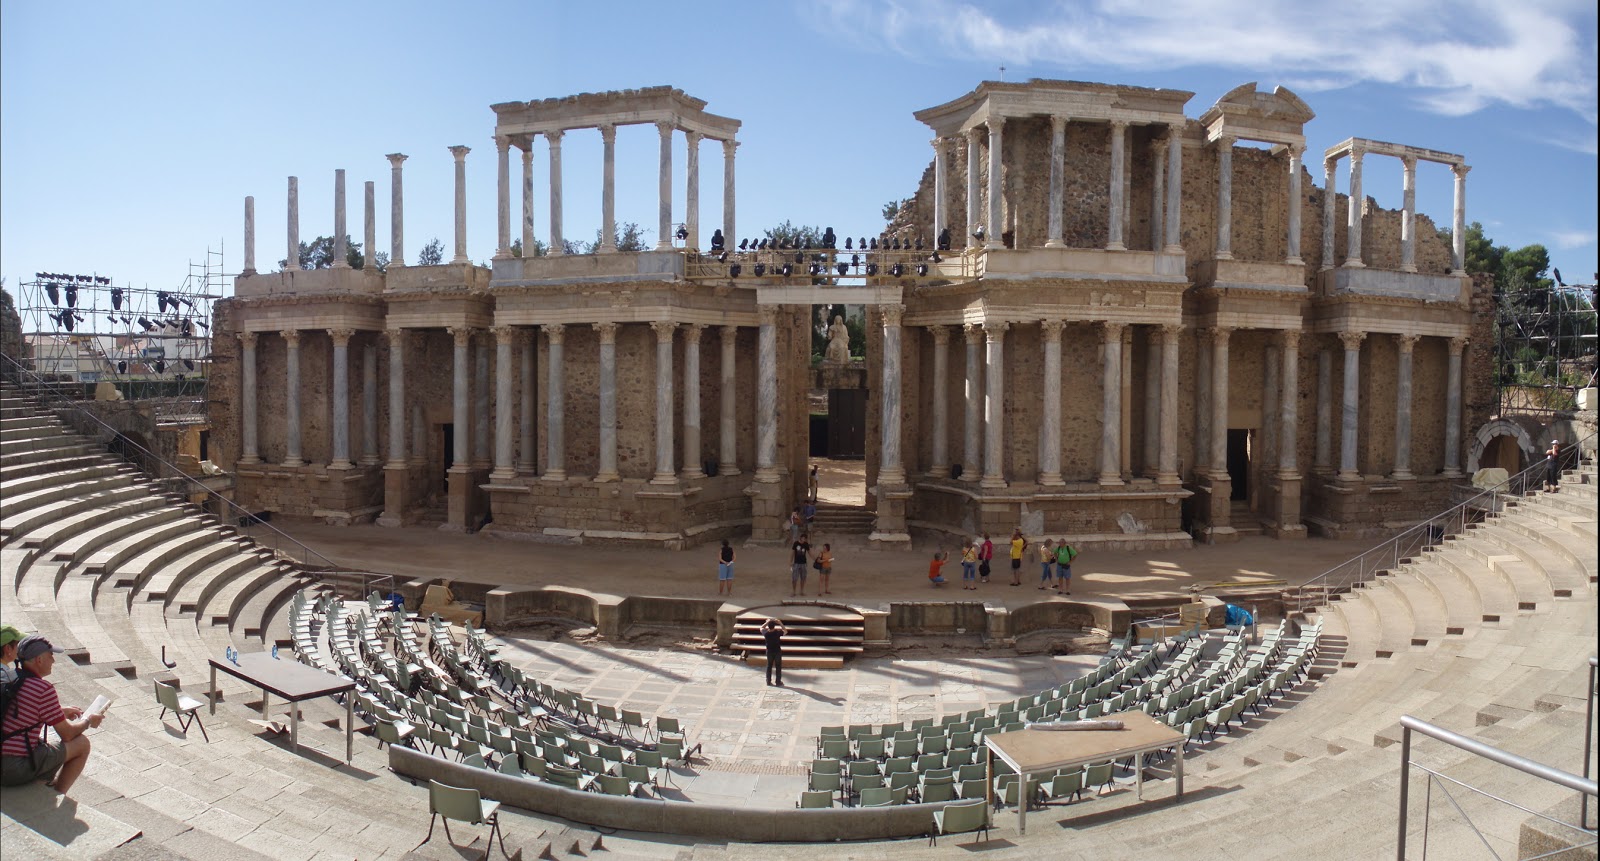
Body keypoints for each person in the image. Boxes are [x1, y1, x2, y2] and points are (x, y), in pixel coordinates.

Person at [1, 636, 102, 794]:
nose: (53, 661)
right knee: (82, 744)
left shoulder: (11, 677)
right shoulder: (42, 689)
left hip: (5, 757)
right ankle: (58, 792)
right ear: (39, 660)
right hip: (12, 767)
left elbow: (20, 710)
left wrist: (60, 711)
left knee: (46, 743)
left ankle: (46, 780)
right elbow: (68, 734)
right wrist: (88, 721)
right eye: (50, 656)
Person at [761, 618, 787, 686]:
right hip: (777, 651)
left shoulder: (766, 633)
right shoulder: (777, 632)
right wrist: (780, 623)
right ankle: (778, 682)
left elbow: (761, 628)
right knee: (778, 666)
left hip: (769, 651)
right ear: (774, 626)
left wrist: (767, 622)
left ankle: (768, 681)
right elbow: (785, 631)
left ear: (768, 626)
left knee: (769, 666)